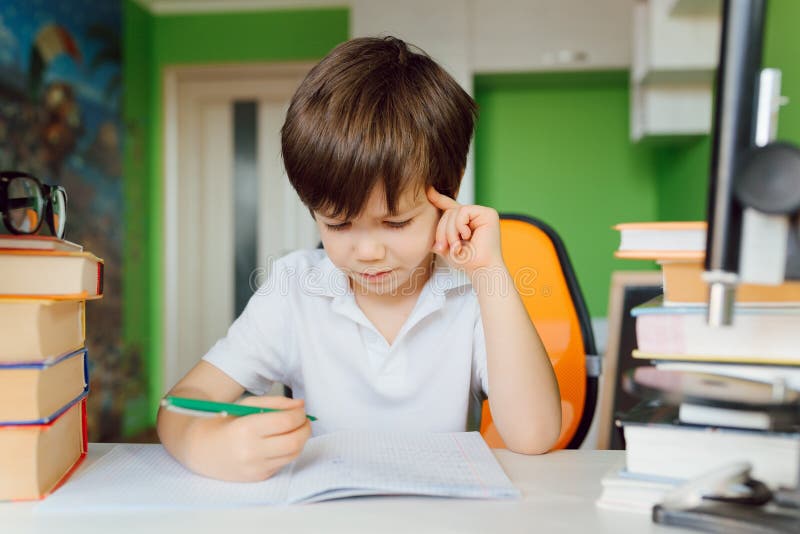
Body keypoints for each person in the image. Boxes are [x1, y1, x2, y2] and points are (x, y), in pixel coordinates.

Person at [157, 36, 561, 482]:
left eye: (396, 223)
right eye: (338, 225)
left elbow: (534, 435)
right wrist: (207, 444)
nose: (368, 252)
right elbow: (179, 404)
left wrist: (489, 273)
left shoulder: (470, 293)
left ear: (449, 192)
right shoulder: (294, 289)